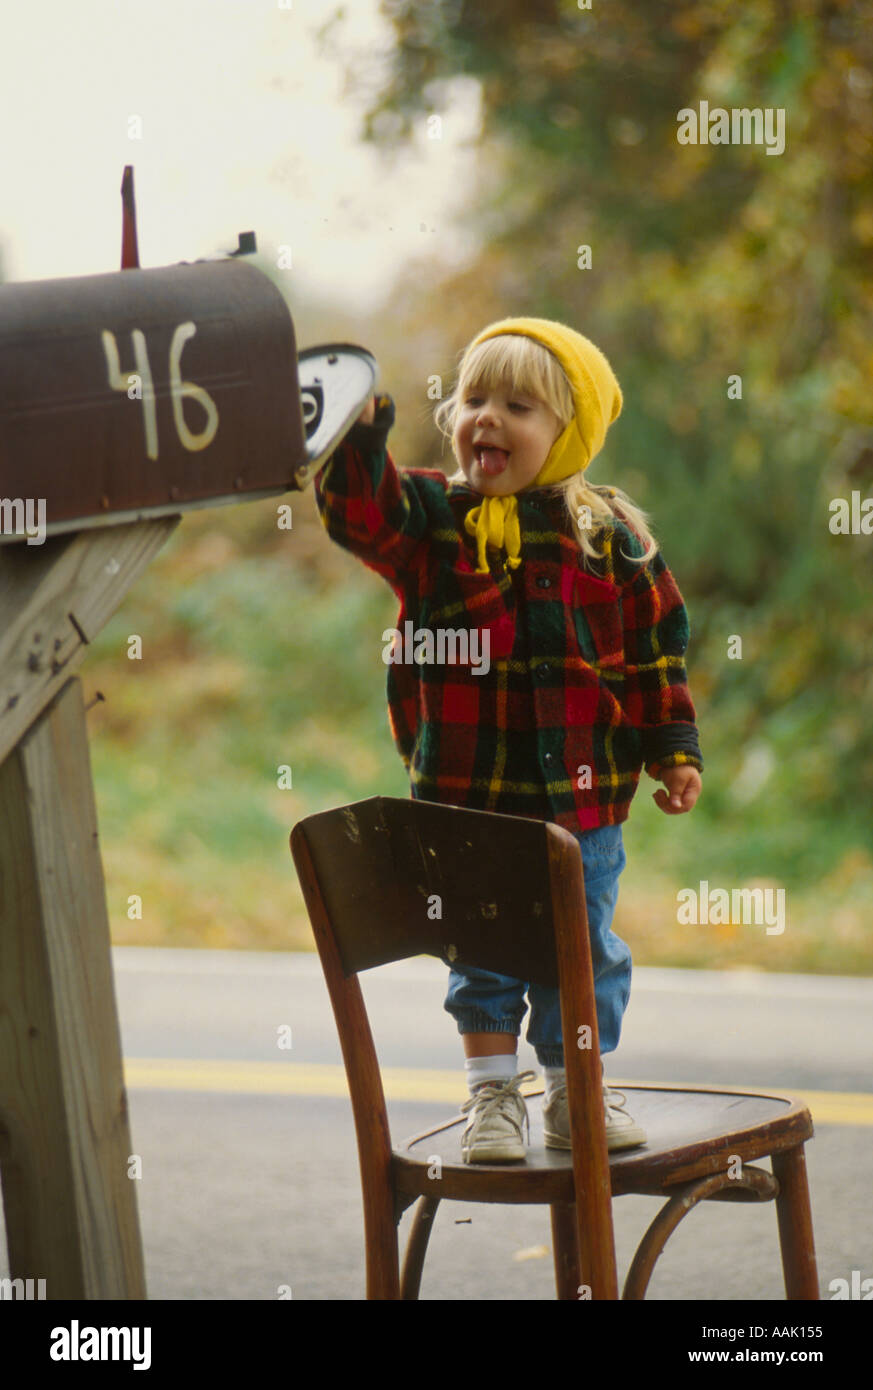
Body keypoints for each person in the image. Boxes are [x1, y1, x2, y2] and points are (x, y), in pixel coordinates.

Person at [313, 316, 703, 1163]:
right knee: (482, 952)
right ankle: (493, 1098)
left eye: (518, 406)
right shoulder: (434, 522)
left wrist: (671, 745)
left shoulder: (612, 540)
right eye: (473, 398)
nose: (486, 417)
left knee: (579, 952)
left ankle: (574, 1091)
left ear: (569, 435)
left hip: (582, 805)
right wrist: (355, 431)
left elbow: (654, 651)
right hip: (465, 800)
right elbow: (360, 515)